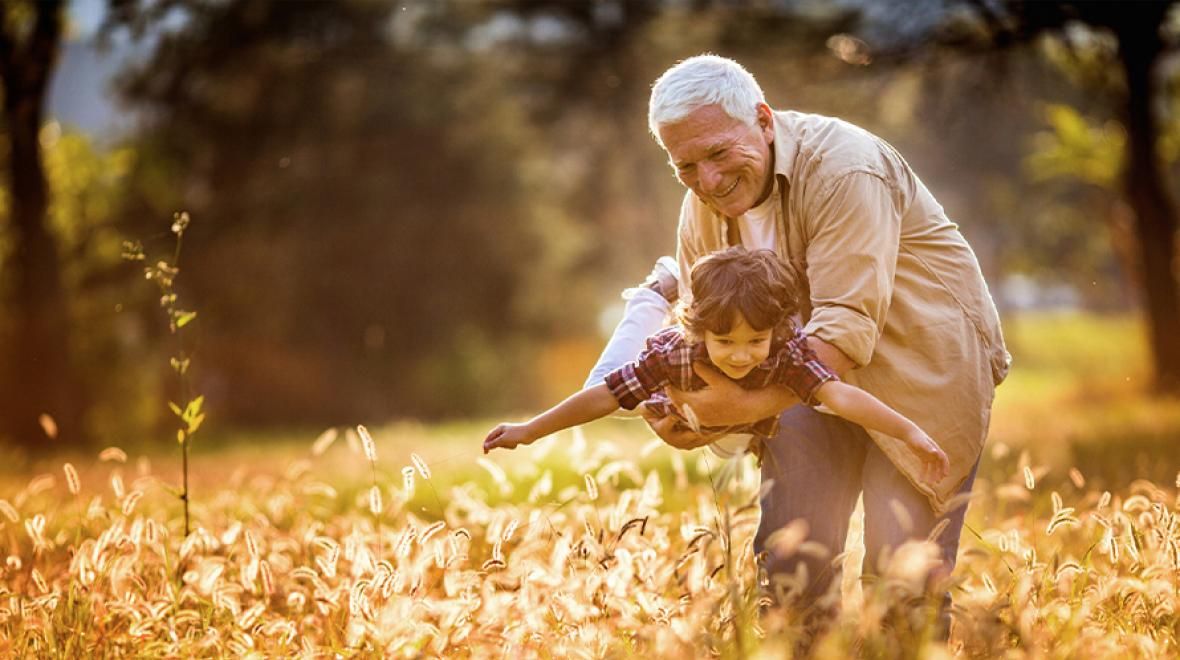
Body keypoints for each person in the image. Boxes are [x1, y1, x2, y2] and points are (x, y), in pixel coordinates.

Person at [583, 54, 1009, 623]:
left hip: (919, 373)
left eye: (717, 153)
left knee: (901, 575)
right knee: (791, 567)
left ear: (762, 119)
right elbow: (699, 329)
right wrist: (680, 408)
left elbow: (840, 331)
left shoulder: (845, 169)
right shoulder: (700, 208)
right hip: (799, 379)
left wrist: (728, 410)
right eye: (685, 166)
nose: (707, 181)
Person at [485, 247, 951, 491]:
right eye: (725, 341)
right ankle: (656, 292)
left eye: (755, 341)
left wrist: (909, 432)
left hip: (737, 415)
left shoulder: (786, 351)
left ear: (776, 331)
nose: (741, 354)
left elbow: (841, 397)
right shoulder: (674, 351)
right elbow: (603, 396)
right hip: (674, 392)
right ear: (701, 330)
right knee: (612, 391)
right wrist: (530, 429)